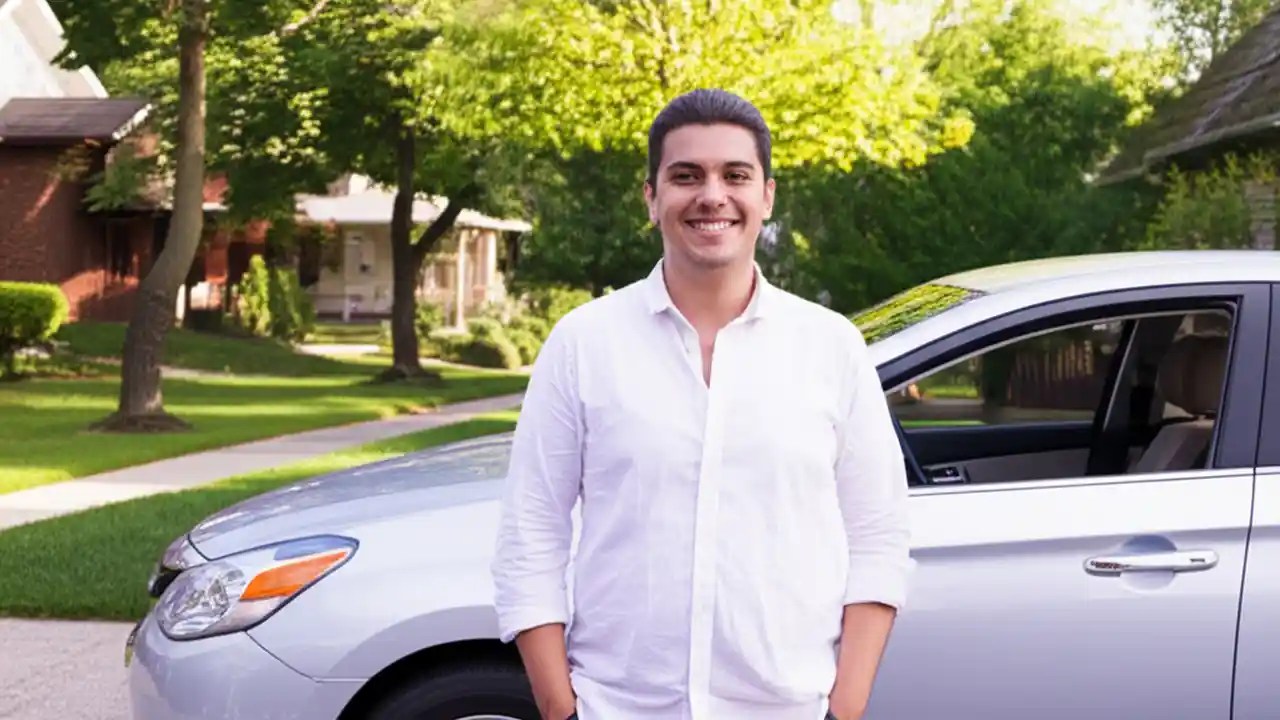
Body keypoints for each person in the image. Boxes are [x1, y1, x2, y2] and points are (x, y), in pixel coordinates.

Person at [491, 88, 912, 720]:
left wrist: (843, 709)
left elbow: (878, 539)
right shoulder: (583, 343)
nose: (711, 195)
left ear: (766, 196)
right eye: (685, 176)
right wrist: (561, 709)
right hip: (618, 710)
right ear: (652, 198)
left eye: (734, 175)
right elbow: (530, 536)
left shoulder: (832, 347)